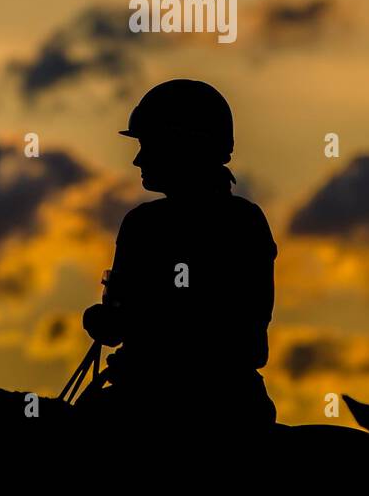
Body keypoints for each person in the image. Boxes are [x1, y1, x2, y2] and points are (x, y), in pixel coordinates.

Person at [79, 80, 278, 436]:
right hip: (232, 403)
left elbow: (223, 326)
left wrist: (111, 320)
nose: (138, 159)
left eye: (148, 145)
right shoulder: (240, 221)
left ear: (182, 145)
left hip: (174, 406)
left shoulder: (146, 225)